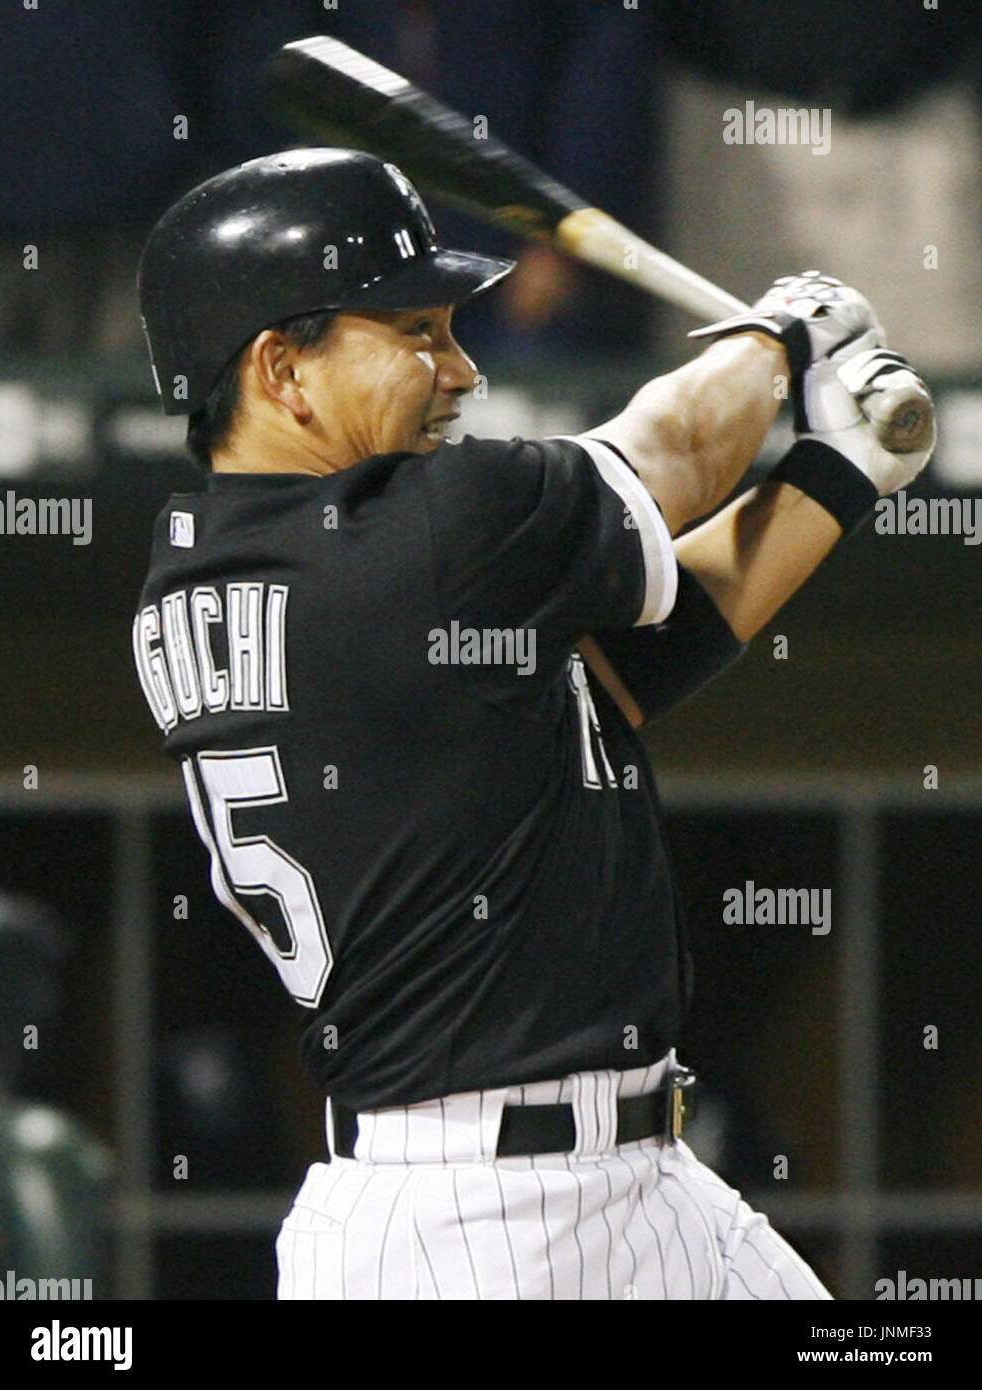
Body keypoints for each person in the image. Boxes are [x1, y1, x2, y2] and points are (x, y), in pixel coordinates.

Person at [132, 147, 934, 1300]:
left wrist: (838, 472)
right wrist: (789, 331)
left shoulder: (212, 576)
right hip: (486, 1226)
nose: (460, 370)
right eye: (413, 331)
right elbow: (674, 448)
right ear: (280, 369)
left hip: (617, 1184)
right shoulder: (431, 530)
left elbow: (604, 684)